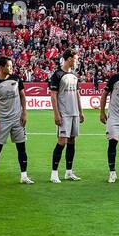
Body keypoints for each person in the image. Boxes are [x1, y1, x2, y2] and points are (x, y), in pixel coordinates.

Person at [0, 56, 33, 185]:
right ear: (1, 68)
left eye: (11, 66)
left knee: (21, 148)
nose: (11, 68)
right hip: (3, 121)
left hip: (18, 120)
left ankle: (24, 176)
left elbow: (23, 96)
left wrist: (24, 113)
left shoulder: (16, 79)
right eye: (9, 66)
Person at [48, 48, 83, 182]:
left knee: (72, 141)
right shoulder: (57, 75)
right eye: (76, 59)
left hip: (74, 113)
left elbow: (77, 94)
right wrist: (56, 114)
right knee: (62, 142)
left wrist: (80, 112)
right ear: (69, 59)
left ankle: (69, 172)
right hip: (64, 114)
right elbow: (53, 95)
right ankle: (54, 173)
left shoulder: (74, 75)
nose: (77, 61)